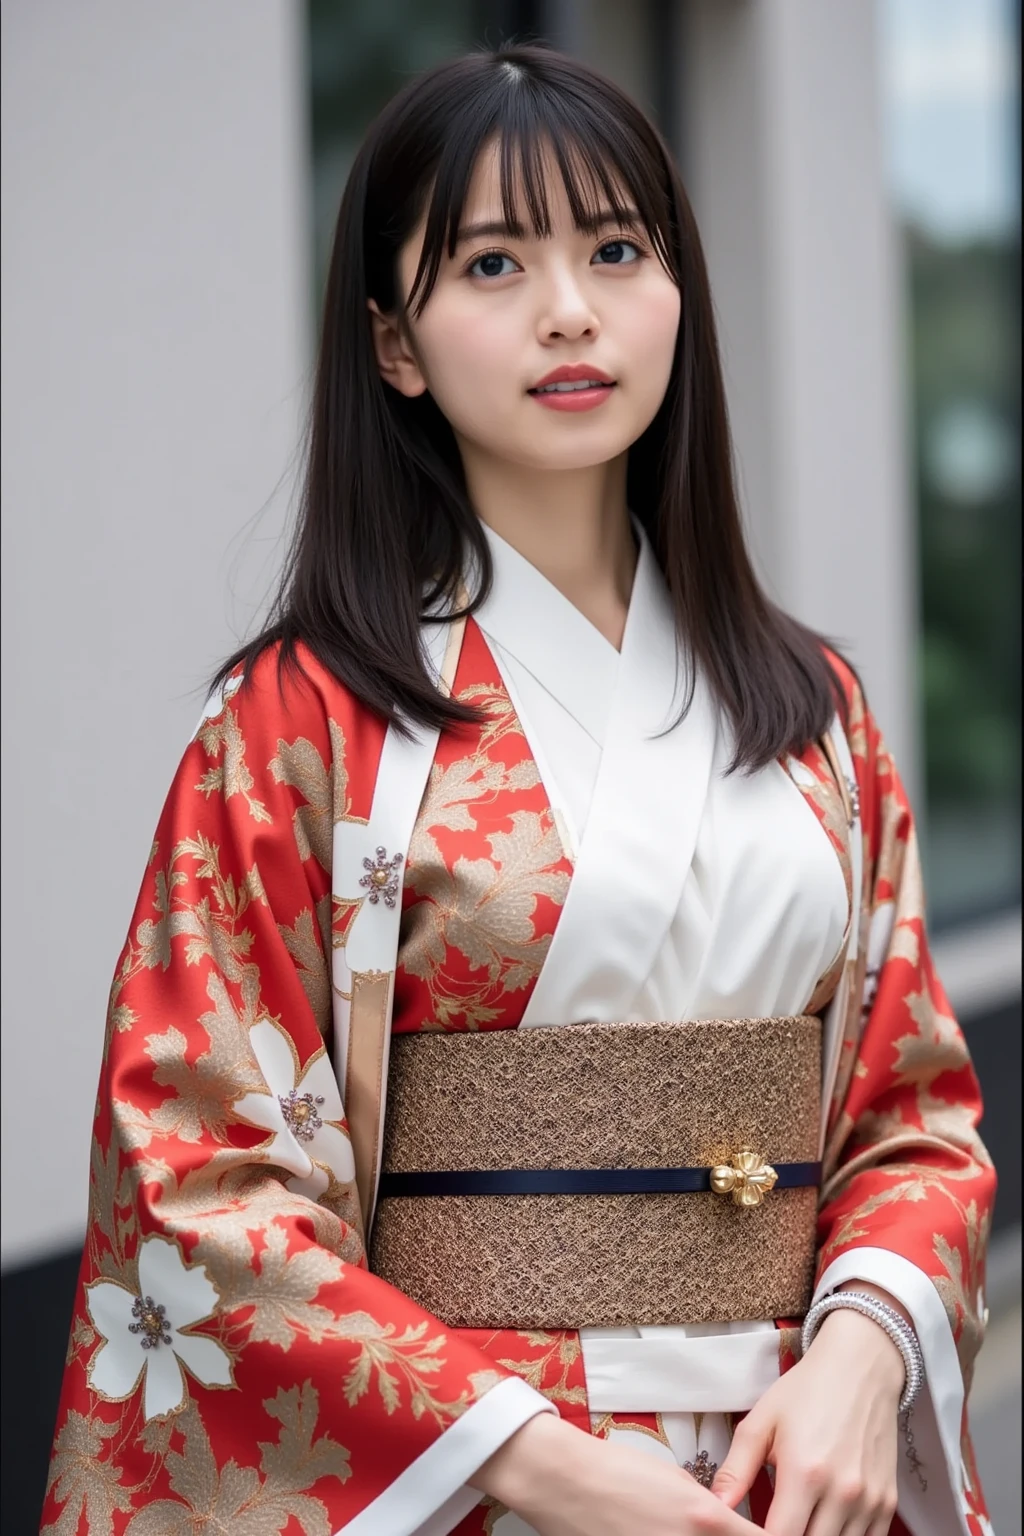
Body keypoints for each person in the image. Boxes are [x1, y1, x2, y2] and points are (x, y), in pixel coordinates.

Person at [43, 44, 995, 1536]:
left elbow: (911, 1110)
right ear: (395, 344)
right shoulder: (302, 724)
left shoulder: (814, 708)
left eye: (616, 250)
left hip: (800, 1467)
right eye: (494, 263)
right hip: (478, 1478)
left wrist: (865, 1358)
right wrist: (550, 1467)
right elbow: (203, 1176)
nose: (570, 309)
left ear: (678, 292)